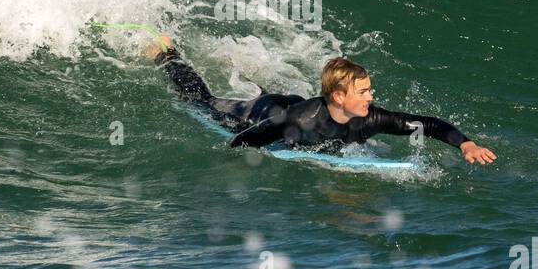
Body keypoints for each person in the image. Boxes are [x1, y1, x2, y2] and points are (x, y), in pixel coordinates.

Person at [145, 35, 497, 165]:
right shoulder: (298, 122)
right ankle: (167, 54)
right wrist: (233, 158)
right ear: (339, 95)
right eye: (363, 92)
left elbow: (428, 124)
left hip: (298, 104)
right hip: (262, 114)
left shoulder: (371, 119)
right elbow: (244, 139)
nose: (370, 98)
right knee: (199, 101)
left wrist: (465, 144)